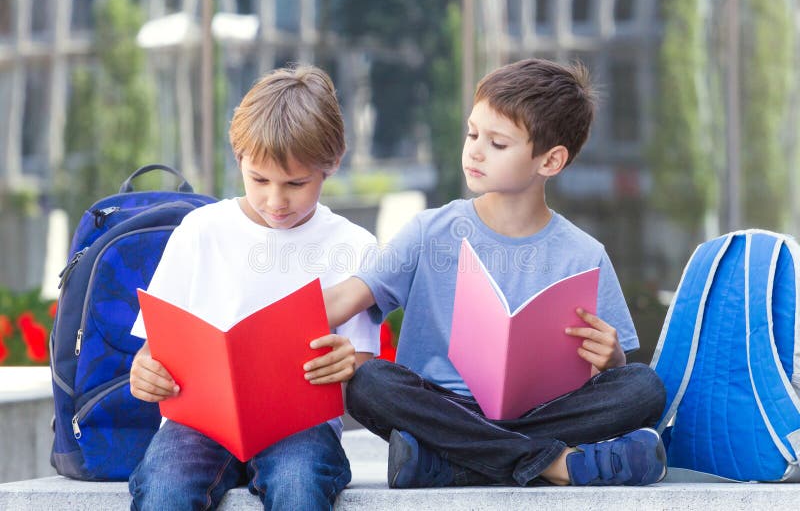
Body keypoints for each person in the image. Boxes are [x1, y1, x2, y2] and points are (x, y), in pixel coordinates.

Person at [324, 58, 667, 488]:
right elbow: (343, 299)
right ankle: (555, 464)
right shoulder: (429, 231)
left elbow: (609, 378)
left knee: (643, 388)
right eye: (472, 134)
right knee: (370, 382)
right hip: (442, 409)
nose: (475, 150)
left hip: (538, 413)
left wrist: (611, 360)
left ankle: (449, 465)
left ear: (550, 161)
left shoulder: (585, 255)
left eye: (498, 143)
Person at [127, 65, 379, 510]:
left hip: (300, 426)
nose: (276, 201)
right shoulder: (199, 230)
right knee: (165, 487)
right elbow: (153, 350)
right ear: (239, 157)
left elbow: (356, 370)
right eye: (259, 180)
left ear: (332, 164)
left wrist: (348, 367)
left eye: (296, 184)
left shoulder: (353, 246)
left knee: (300, 485)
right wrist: (145, 371)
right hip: (198, 423)